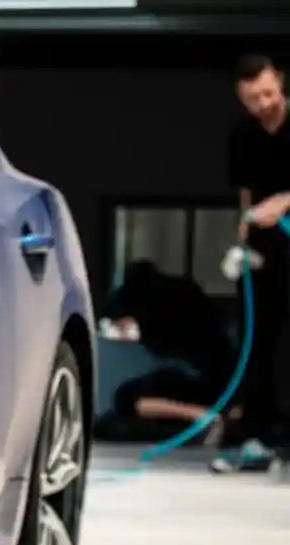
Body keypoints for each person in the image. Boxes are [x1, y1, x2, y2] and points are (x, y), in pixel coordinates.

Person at [216, 53, 290, 472]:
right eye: (252, 99)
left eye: (267, 93)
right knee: (258, 338)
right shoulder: (242, 136)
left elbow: (274, 201)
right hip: (265, 247)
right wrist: (240, 245)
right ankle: (258, 435)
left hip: (286, 224)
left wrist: (284, 201)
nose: (263, 104)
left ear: (279, 81)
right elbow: (245, 197)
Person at [103, 261, 239, 445]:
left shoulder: (153, 302)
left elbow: (114, 313)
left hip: (199, 376)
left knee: (126, 397)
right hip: (219, 376)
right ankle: (211, 414)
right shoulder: (183, 290)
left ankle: (203, 417)